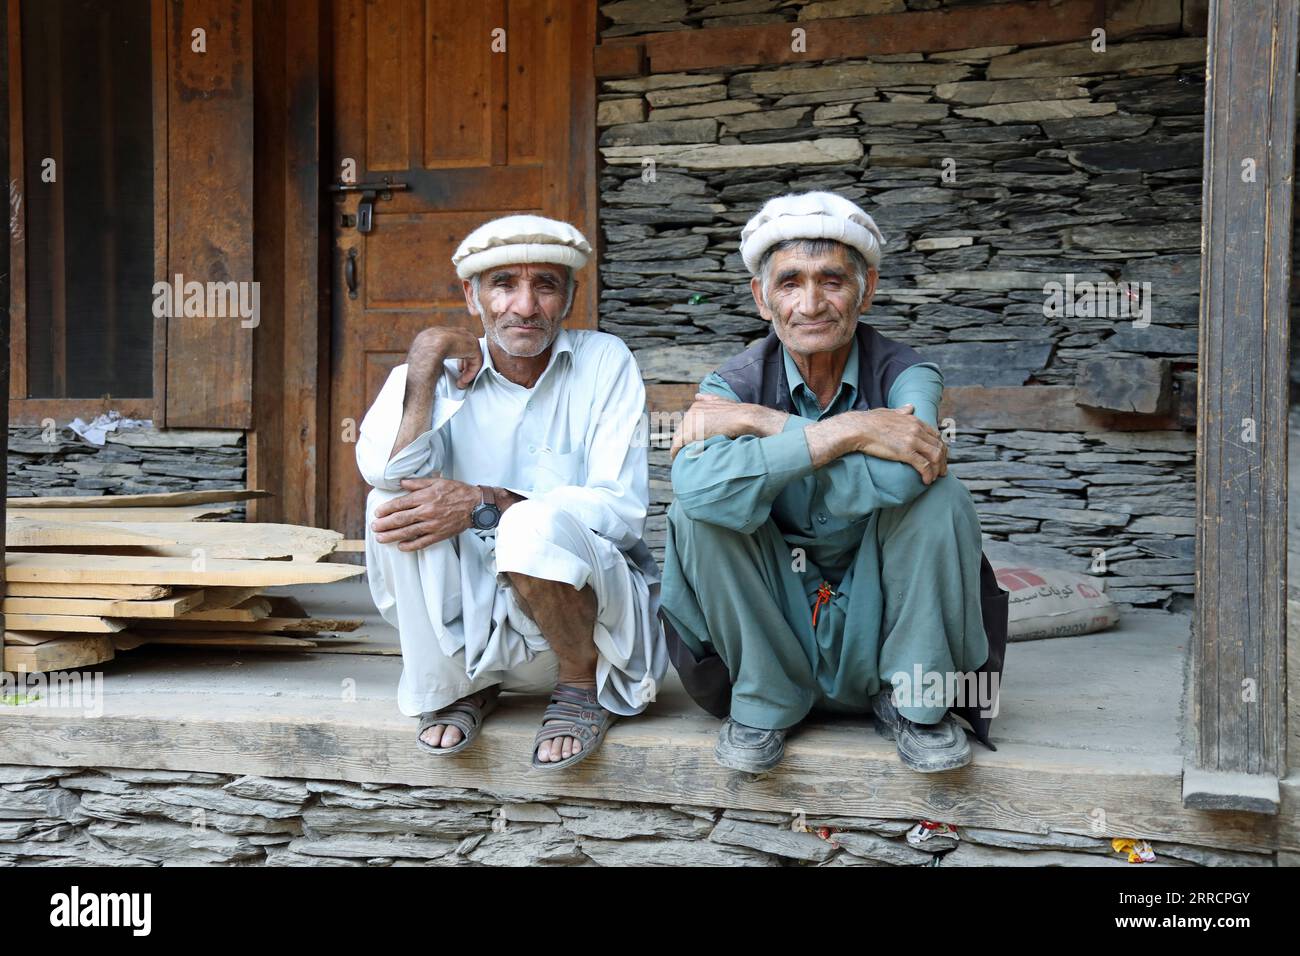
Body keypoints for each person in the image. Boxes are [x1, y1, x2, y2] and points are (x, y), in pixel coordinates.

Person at [661, 191, 1008, 774]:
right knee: (697, 514)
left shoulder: (906, 372)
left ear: (866, 291)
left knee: (940, 498)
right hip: (774, 612)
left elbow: (908, 475)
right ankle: (763, 702)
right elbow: (696, 487)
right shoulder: (733, 382)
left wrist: (768, 430)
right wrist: (852, 435)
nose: (811, 303)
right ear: (762, 299)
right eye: (790, 282)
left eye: (833, 281)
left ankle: (915, 705)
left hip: (879, 611)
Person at [357, 214, 667, 771]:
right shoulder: (435, 370)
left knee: (527, 523)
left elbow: (620, 513)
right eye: (504, 285)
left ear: (569, 297)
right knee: (389, 502)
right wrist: (426, 360)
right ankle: (456, 684)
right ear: (472, 297)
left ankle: (579, 688)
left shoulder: (604, 362)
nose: (525, 306)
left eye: (545, 285)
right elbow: (386, 471)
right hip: (474, 633)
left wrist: (489, 501)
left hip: (583, 631)